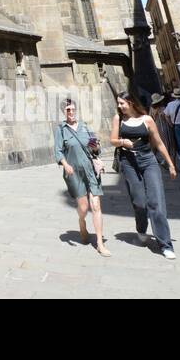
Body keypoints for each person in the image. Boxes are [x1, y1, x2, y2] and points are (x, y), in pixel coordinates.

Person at [111, 92, 177, 259]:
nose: (120, 106)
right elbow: (112, 140)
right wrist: (122, 142)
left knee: (156, 202)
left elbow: (159, 142)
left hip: (149, 161)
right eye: (118, 104)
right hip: (128, 163)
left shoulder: (147, 119)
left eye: (122, 103)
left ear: (131, 102)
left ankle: (165, 244)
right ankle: (141, 229)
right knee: (139, 202)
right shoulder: (118, 119)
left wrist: (170, 164)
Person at [54, 98, 111, 257]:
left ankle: (100, 243)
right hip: (74, 172)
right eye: (68, 110)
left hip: (90, 170)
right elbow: (58, 151)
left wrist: (96, 146)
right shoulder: (61, 130)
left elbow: (95, 146)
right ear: (64, 112)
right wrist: (66, 165)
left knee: (96, 205)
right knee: (84, 208)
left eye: (73, 109)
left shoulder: (85, 127)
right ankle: (82, 222)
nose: (71, 112)